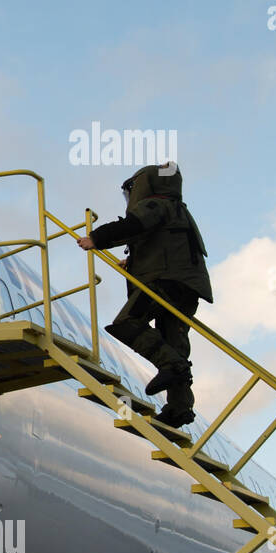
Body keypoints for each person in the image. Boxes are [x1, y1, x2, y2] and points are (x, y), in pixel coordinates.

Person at [77, 162, 213, 428]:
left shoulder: (156, 205)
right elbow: (168, 248)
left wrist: (96, 238)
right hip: (187, 287)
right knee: (174, 342)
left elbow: (134, 225)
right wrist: (133, 262)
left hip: (165, 283)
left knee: (127, 324)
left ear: (145, 185)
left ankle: (172, 367)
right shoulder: (179, 212)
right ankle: (179, 408)